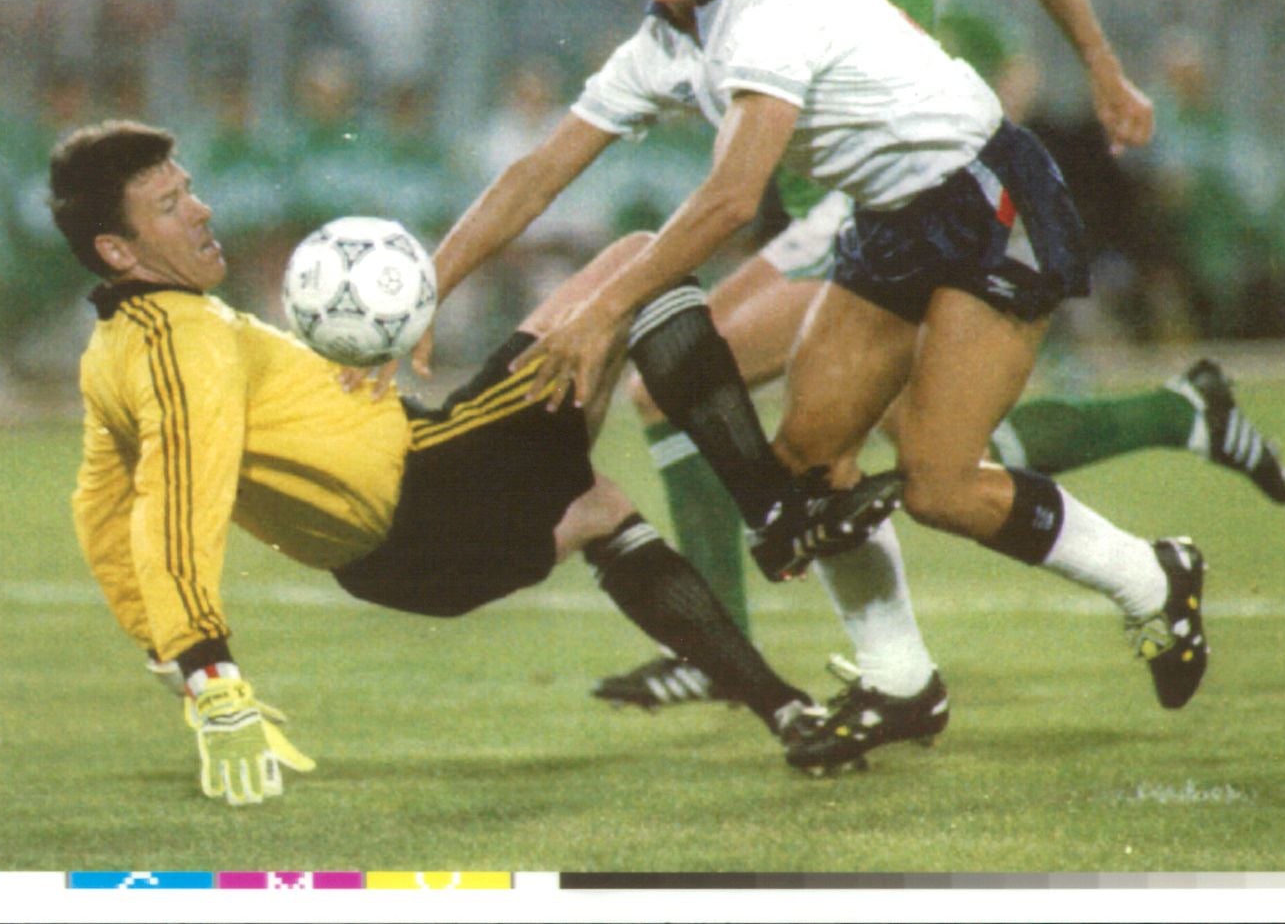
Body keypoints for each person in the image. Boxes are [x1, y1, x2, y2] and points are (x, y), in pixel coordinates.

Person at [358, 0, 1285, 713]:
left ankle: (1152, 578)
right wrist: (418, 295)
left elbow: (724, 198)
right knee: (807, 468)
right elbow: (531, 177)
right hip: (884, 223)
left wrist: (597, 312)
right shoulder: (666, 37)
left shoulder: (771, 2)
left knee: (937, 479)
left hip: (986, 201)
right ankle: (901, 684)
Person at [47, 120, 823, 806]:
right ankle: (774, 508)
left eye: (190, 190)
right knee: (638, 258)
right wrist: (211, 676)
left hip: (397, 566)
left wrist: (167, 649)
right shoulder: (185, 344)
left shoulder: (117, 349)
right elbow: (179, 501)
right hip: (437, 482)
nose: (202, 209)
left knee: (593, 503)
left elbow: (103, 508)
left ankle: (786, 709)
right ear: (118, 249)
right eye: (170, 205)